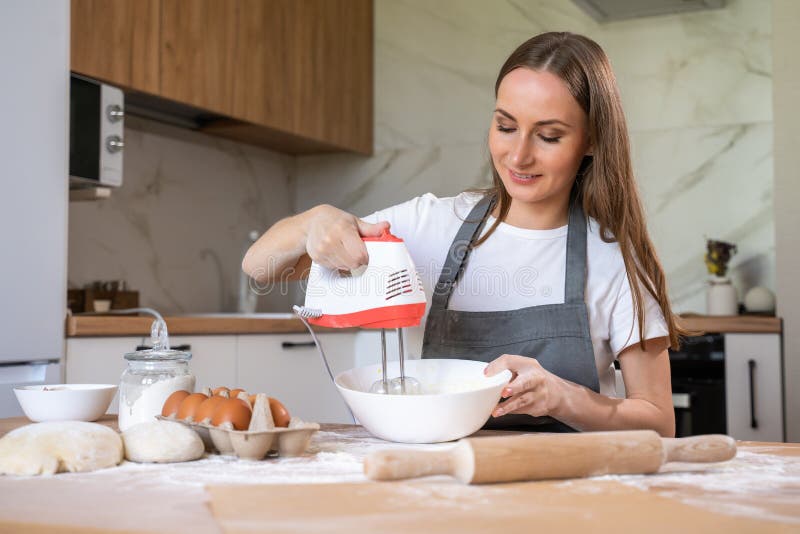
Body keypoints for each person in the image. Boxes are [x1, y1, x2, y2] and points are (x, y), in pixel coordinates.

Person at [243, 32, 681, 437]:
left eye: (548, 136)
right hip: (439, 482)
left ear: (592, 140)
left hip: (569, 487)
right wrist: (313, 222)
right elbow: (260, 267)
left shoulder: (613, 259)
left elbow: (659, 423)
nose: (518, 155)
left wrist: (563, 397)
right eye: (505, 126)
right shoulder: (428, 225)